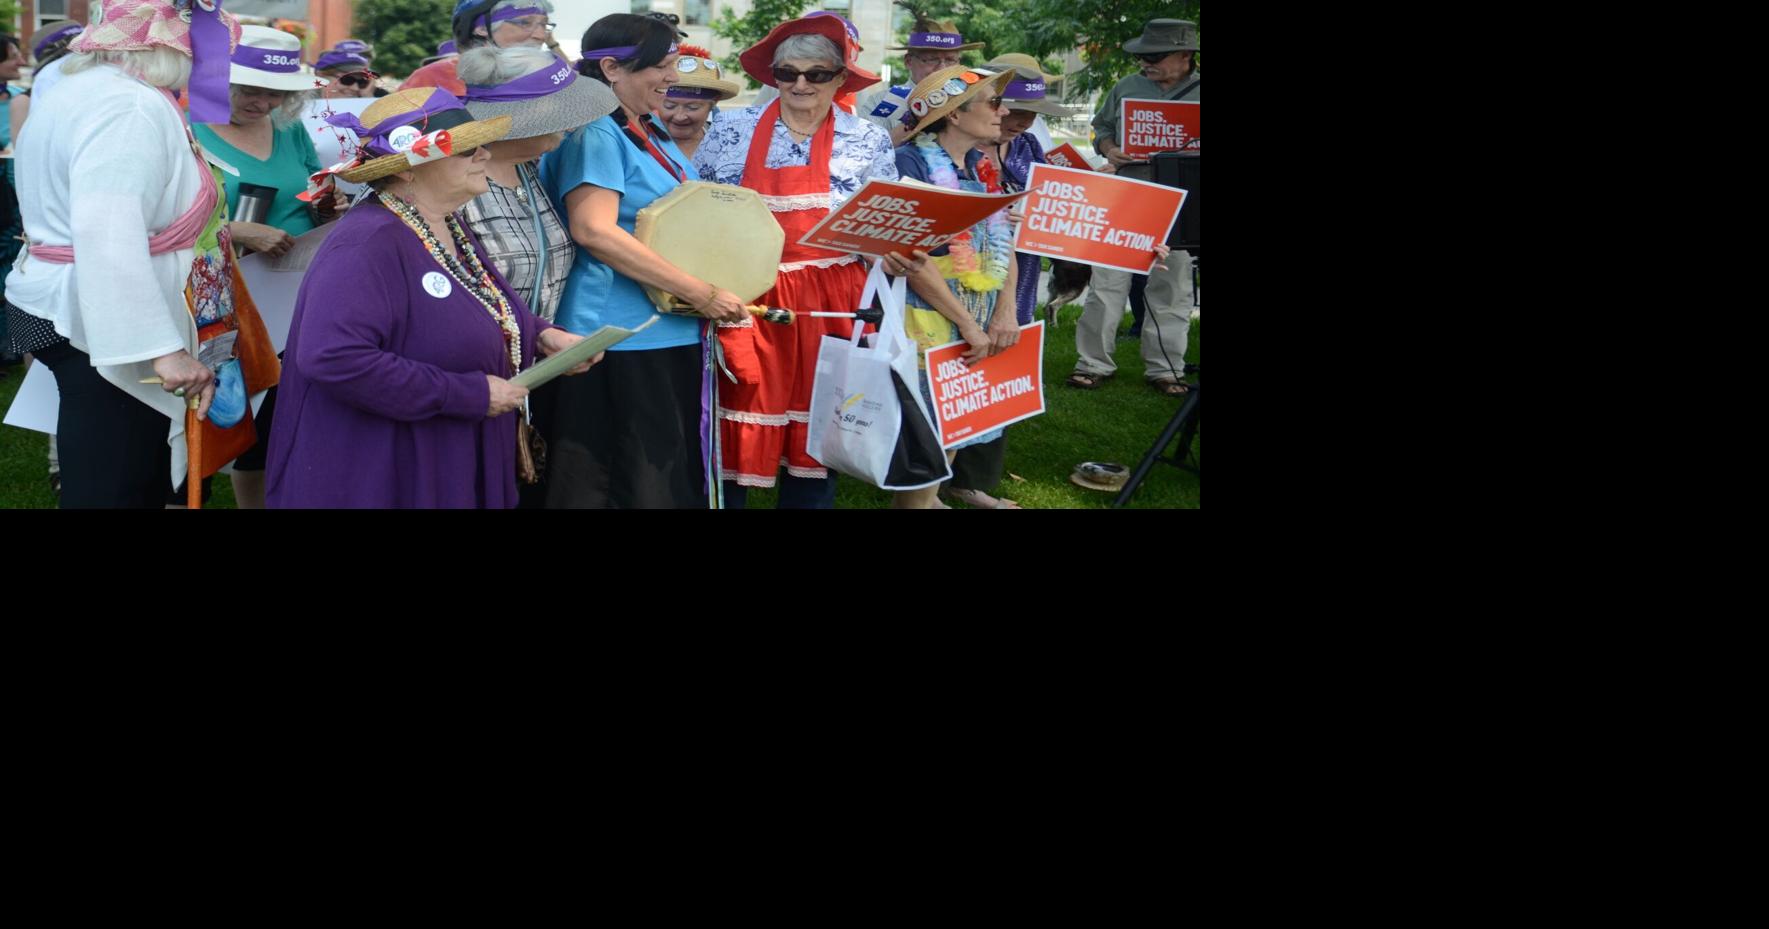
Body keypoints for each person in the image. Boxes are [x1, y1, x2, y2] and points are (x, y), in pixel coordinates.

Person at [264, 88, 592, 508]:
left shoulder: (443, 224)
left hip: (438, 453)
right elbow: (332, 356)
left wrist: (545, 337)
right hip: (381, 468)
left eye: (481, 145)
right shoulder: (367, 243)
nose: (485, 156)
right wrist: (467, 394)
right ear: (407, 170)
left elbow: (485, 301)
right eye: (466, 149)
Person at [4, 0, 266, 508]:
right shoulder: (129, 106)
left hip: (68, 297)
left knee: (119, 463)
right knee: (115, 480)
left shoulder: (79, 88)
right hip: (91, 312)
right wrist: (159, 350)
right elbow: (107, 228)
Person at [693, 13, 921, 507]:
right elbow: (700, 209)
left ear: (840, 78)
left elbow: (876, 227)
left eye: (816, 73)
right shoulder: (730, 128)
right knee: (740, 418)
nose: (800, 84)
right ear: (772, 76)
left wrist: (891, 257)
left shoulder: (868, 139)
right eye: (787, 73)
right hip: (749, 294)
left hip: (832, 300)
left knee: (821, 422)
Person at [537, 13, 746, 508]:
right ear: (611, 68)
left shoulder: (645, 127)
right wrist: (702, 293)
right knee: (618, 482)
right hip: (614, 336)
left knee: (659, 477)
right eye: (664, 65)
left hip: (662, 327)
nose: (674, 76)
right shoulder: (596, 133)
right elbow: (595, 230)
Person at [459, 41, 620, 505]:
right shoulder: (455, 177)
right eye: (558, 110)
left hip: (527, 372)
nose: (572, 120)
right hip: (471, 379)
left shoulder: (530, 168)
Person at [189, 23, 341, 508]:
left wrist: (327, 206)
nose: (264, 104)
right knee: (217, 409)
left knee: (276, 413)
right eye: (251, 91)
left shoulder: (289, 128)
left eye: (276, 94)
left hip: (291, 290)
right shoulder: (184, 128)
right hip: (216, 296)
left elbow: (311, 183)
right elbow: (160, 221)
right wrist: (236, 230)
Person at [891, 65, 1020, 510]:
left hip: (976, 314)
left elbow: (1005, 244)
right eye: (993, 103)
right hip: (928, 317)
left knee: (959, 419)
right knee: (927, 435)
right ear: (955, 116)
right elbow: (912, 259)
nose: (1004, 111)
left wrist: (1006, 310)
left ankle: (931, 502)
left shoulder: (982, 165)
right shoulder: (910, 163)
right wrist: (968, 323)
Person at [942, 58, 1067, 510]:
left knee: (993, 380)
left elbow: (1067, 211)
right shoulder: (950, 151)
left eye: (1030, 113)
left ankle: (971, 481)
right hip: (953, 287)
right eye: (1011, 109)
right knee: (950, 378)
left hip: (1016, 276)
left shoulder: (1028, 145)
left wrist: (1137, 242)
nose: (1018, 121)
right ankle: (925, 483)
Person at [1068, 18, 1199, 398]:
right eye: (1142, 56)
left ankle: (1166, 368)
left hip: (1182, 204)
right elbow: (1101, 129)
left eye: (1154, 56)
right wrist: (1109, 149)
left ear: (1185, 55)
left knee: (1172, 287)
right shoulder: (1126, 86)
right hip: (1126, 198)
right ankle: (1092, 364)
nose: (1145, 63)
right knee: (1107, 283)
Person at [856, 11, 981, 147]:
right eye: (932, 59)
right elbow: (866, 151)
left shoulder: (972, 100)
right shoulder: (883, 102)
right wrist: (916, 117)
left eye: (950, 60)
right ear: (909, 61)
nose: (942, 68)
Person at [403, 0, 556, 97]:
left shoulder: (550, 75)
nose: (541, 35)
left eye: (544, 24)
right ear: (482, 28)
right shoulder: (432, 77)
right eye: (525, 23)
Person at [657, 45, 736, 160]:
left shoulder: (727, 145)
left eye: (692, 107)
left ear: (713, 104)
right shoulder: (639, 141)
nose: (679, 116)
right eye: (670, 106)